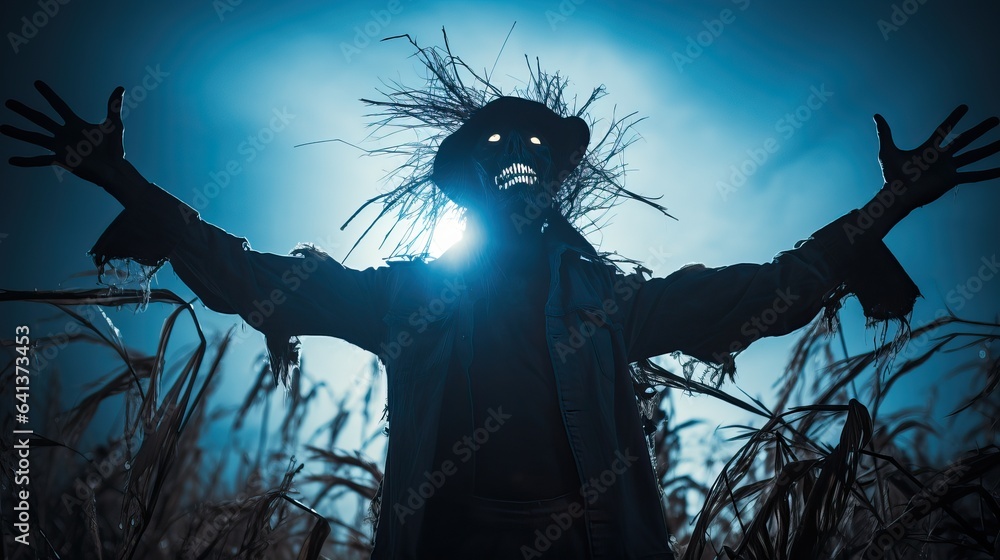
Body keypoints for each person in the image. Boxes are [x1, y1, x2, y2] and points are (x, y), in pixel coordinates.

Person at [3, 81, 999, 559]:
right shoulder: (403, 297)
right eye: (499, 145)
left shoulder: (612, 304)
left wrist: (889, 207)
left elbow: (761, 291)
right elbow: (247, 273)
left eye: (537, 146)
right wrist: (118, 174)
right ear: (471, 184)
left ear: (557, 181)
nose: (520, 153)